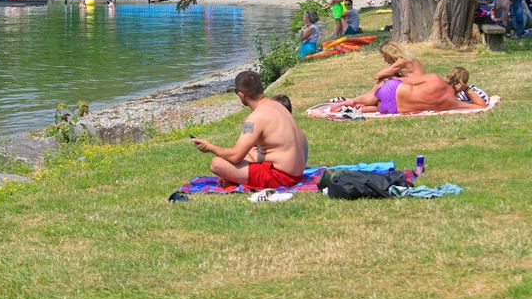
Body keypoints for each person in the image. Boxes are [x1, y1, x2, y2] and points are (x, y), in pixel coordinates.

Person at [191, 71, 308, 190]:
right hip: (296, 171)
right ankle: (234, 177)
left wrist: (210, 147)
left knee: (217, 164)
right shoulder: (277, 106)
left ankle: (234, 179)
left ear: (241, 95)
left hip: (282, 177)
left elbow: (236, 156)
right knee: (249, 151)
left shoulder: (255, 118)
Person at [331, 67, 487, 115]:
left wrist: (388, 80)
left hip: (395, 91)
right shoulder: (453, 103)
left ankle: (352, 102)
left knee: (375, 96)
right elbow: (482, 106)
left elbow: (406, 81)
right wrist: (467, 90)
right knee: (378, 106)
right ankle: (357, 109)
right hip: (395, 109)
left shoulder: (434, 78)